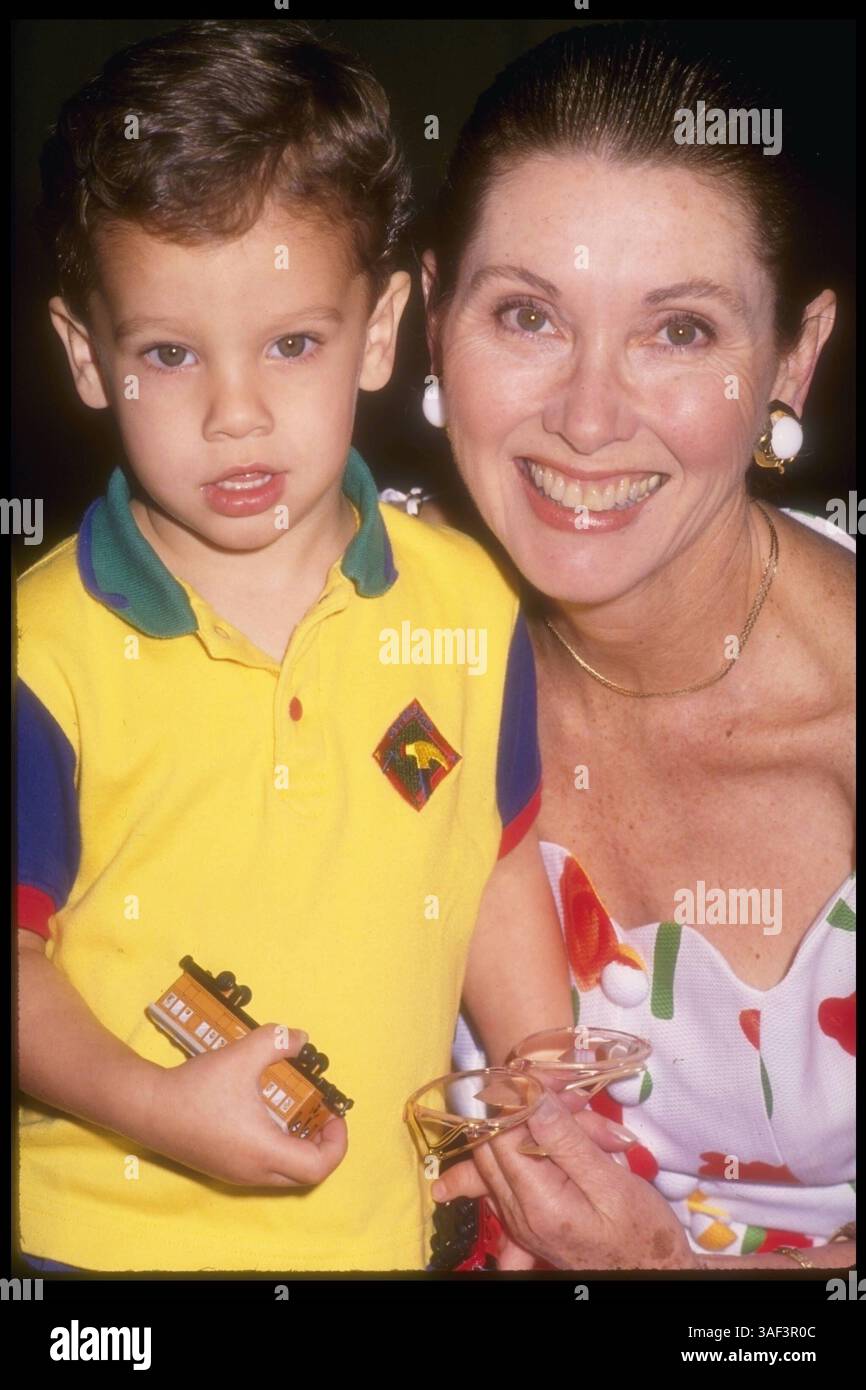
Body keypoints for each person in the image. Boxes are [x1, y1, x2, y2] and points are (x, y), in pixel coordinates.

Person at [15, 18, 573, 1274]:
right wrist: (155, 1105)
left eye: (291, 342)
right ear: (84, 356)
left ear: (377, 334)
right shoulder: (40, 652)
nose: (235, 413)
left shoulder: (471, 606)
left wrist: (542, 1095)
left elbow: (493, 868)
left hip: (387, 1238)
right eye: (168, 352)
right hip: (99, 1252)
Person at [415, 22, 855, 1269]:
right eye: (525, 315)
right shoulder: (359, 622)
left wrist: (656, 1274)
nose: (589, 417)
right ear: (432, 313)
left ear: (793, 358)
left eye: (678, 331)